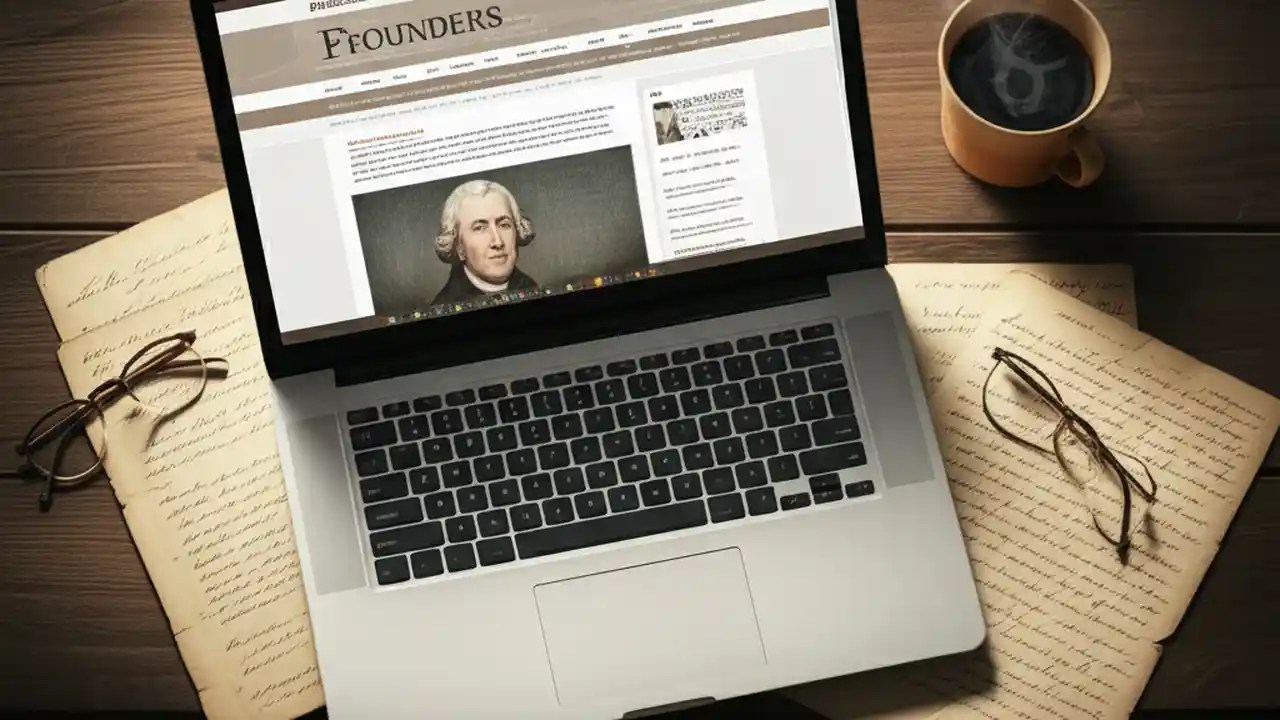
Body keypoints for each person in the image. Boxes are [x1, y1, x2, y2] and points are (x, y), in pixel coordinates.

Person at [431, 179, 538, 305]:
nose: (497, 242)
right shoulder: (445, 306)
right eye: (479, 228)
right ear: (459, 246)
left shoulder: (532, 289)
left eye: (504, 225)